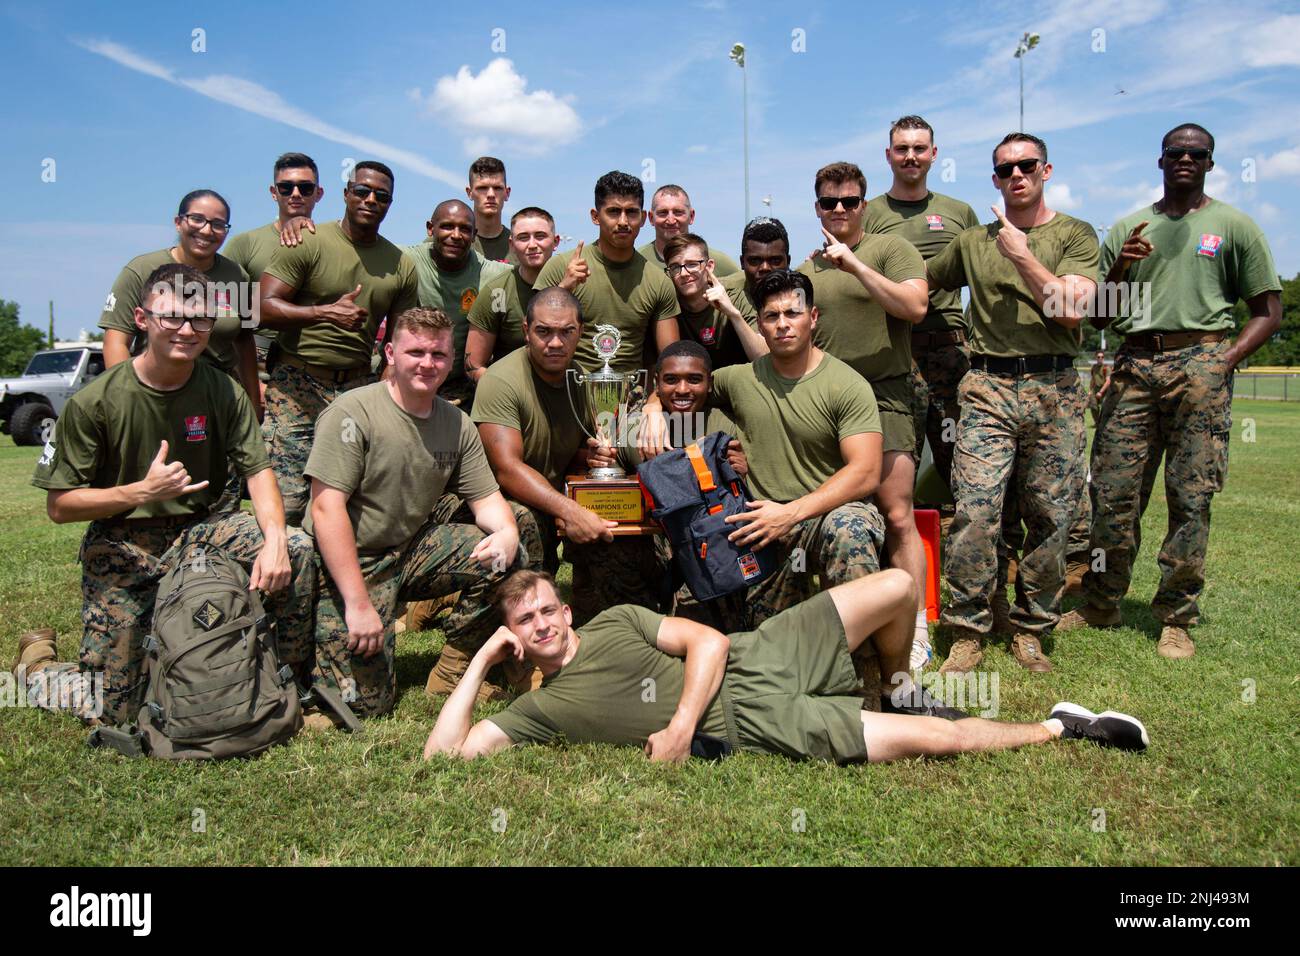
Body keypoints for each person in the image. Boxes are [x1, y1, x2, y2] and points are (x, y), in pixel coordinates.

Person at [423, 569, 1150, 762]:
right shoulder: (535, 713)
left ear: (566, 610)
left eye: (548, 610)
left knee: (899, 586)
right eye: (525, 623)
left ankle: (898, 688)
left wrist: (677, 731)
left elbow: (707, 643)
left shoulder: (616, 621)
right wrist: (485, 652)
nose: (542, 624)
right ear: (515, 635)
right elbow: (443, 756)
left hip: (758, 652)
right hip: (755, 719)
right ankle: (1061, 729)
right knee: (940, 741)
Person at [18, 263, 315, 726]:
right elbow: (60, 506)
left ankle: (284, 686)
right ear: (142, 318)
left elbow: (258, 471)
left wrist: (275, 538)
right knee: (113, 710)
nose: (186, 329)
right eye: (171, 316)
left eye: (199, 318)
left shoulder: (224, 391)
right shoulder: (94, 402)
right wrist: (140, 490)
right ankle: (38, 668)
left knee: (296, 548)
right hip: (123, 540)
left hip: (202, 529)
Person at [1059, 123, 1283, 659]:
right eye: (1176, 153)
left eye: (1197, 154)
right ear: (1160, 161)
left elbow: (1268, 311)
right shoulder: (1131, 227)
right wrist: (1121, 266)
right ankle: (1101, 599)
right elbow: (1102, 317)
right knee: (1111, 494)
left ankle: (1177, 614)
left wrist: (1223, 360)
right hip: (1134, 363)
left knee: (1191, 496)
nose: (1185, 159)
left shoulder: (1234, 226)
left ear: (1209, 162)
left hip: (1200, 361)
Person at [926, 132, 1099, 674]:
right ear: (995, 179)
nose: (1016, 175)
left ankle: (1031, 628)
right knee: (976, 511)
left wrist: (1022, 255)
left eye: (1027, 166)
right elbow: (921, 284)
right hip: (988, 387)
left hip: (1056, 389)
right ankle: (969, 628)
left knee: (1051, 515)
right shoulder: (975, 241)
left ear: (1046, 170)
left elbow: (1071, 309)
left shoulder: (1075, 234)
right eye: (1005, 169)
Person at [305, 307, 527, 718]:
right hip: (351, 560)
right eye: (416, 352)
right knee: (361, 708)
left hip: (409, 549)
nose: (428, 363)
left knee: (510, 548)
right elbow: (325, 508)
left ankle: (457, 664)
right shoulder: (353, 413)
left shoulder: (455, 423)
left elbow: (487, 500)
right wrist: (357, 604)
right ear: (390, 353)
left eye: (439, 355)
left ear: (451, 358)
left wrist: (508, 533)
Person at [640, 269, 887, 632]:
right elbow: (682, 380)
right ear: (760, 324)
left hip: (823, 514)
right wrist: (651, 408)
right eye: (772, 316)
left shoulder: (848, 385)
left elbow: (865, 472)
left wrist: (790, 513)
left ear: (813, 318)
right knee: (766, 644)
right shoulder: (741, 378)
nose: (783, 325)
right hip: (758, 520)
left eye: (793, 314)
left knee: (850, 528)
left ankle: (871, 669)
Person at [797, 161, 932, 664]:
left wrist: (853, 264)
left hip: (885, 395)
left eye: (849, 202)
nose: (839, 210)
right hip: (826, 401)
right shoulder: (808, 268)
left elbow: (914, 307)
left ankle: (913, 625)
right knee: (834, 511)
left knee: (897, 514)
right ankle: (843, 622)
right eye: (829, 203)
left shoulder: (890, 250)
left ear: (863, 205)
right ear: (817, 208)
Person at [472, 287, 662, 625]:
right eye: (544, 331)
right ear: (526, 331)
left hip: (550, 491)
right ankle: (505, 644)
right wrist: (570, 510)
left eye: (566, 332)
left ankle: (597, 611)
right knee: (526, 522)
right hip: (493, 500)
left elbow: (566, 452)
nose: (555, 342)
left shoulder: (582, 381)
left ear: (581, 334)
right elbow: (507, 469)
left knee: (614, 507)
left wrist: (590, 460)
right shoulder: (501, 380)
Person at [257, 160, 419, 525]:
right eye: (362, 191)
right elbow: (261, 309)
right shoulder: (306, 240)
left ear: (389, 204)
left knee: (347, 498)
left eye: (381, 195)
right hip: (297, 386)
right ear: (346, 193)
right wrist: (324, 313)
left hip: (357, 387)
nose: (370, 199)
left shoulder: (401, 265)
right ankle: (275, 576)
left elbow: (400, 340)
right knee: (288, 503)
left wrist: (384, 396)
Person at [865, 116, 980, 492]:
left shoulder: (959, 213)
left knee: (962, 466)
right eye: (902, 149)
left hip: (951, 352)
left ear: (934, 154)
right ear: (888, 155)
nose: (910, 156)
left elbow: (980, 277)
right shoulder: (868, 215)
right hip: (894, 354)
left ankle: (960, 545)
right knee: (894, 464)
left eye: (919, 148)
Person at [98, 190, 259, 413]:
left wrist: (253, 399)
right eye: (197, 219)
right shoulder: (141, 270)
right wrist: (127, 401)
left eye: (218, 224)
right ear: (178, 222)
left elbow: (245, 341)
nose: (206, 230)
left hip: (219, 399)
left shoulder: (236, 275)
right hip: (157, 395)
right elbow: (116, 342)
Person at [533, 171, 680, 375]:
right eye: (613, 211)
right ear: (595, 216)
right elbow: (533, 341)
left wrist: (654, 398)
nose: (622, 221)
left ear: (644, 217)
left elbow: (671, 360)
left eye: (631, 212)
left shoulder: (658, 281)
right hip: (564, 395)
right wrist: (563, 290)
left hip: (631, 400)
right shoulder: (560, 268)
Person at [224, 153, 325, 374]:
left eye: (305, 188)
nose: (295, 194)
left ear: (319, 193)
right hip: (254, 361)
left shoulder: (331, 244)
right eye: (286, 187)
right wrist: (251, 380)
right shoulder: (245, 244)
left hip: (314, 367)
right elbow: (225, 317)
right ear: (273, 193)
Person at [403, 199, 511, 405]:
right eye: (447, 226)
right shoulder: (406, 259)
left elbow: (530, 276)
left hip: (461, 389)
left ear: (474, 236)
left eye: (464, 229)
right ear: (430, 229)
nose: (455, 235)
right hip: (411, 381)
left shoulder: (491, 273)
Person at [466, 207, 560, 380]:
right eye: (523, 237)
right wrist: (509, 391)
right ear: (511, 244)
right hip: (510, 391)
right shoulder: (496, 292)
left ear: (556, 241)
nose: (532, 245)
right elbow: (473, 366)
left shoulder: (574, 285)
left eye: (540, 236)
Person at [662, 233, 766, 369]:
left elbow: (764, 358)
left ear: (709, 266)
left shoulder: (734, 297)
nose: (684, 274)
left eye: (692, 264)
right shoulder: (668, 303)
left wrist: (733, 314)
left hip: (733, 382)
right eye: (675, 267)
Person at [637, 184, 741, 276]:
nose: (671, 220)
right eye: (663, 213)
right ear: (651, 218)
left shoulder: (717, 262)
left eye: (678, 212)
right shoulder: (638, 261)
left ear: (691, 216)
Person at [723, 216, 792, 319]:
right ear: (742, 262)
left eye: (775, 260)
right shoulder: (724, 297)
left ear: (788, 261)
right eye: (755, 261)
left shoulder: (804, 296)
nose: (765, 268)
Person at [466, 156, 513, 262]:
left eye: (497, 188)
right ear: (469, 193)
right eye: (482, 188)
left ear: (507, 193)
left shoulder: (521, 246)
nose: (491, 194)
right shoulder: (450, 242)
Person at [1088, 350, 1111, 427]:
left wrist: (1101, 392)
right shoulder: (1094, 367)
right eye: (1098, 357)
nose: (1100, 358)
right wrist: (1090, 390)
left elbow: (1108, 381)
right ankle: (1097, 423)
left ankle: (1105, 424)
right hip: (1095, 389)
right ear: (1096, 358)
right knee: (1093, 406)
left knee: (1105, 408)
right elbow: (1092, 379)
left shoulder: (1106, 368)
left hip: (1105, 390)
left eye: (1102, 357)